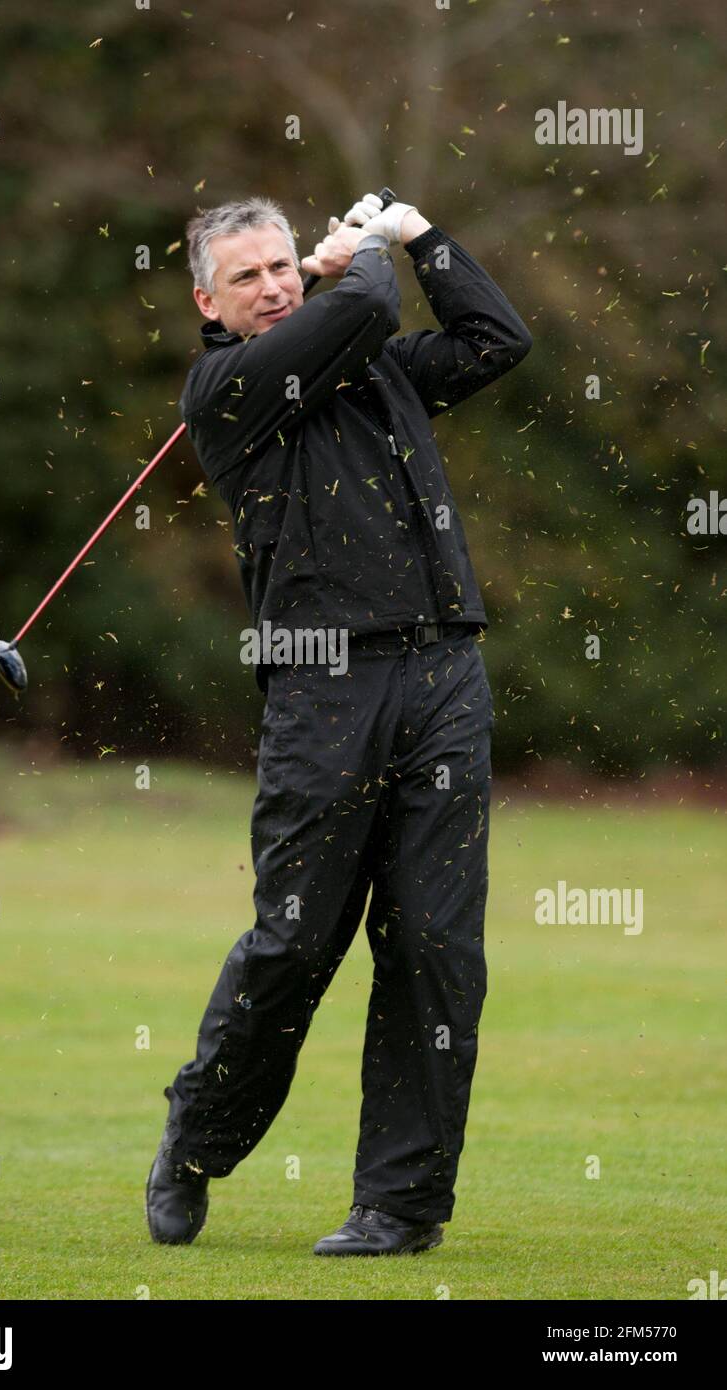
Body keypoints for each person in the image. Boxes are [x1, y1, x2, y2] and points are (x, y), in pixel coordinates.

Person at [146, 191, 532, 1255]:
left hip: (443, 673)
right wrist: (360, 253)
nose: (271, 286)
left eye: (281, 266)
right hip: (322, 690)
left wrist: (420, 239)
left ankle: (397, 1205)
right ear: (208, 304)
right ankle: (197, 1132)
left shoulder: (379, 369)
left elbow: (495, 338)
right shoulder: (221, 390)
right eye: (248, 278)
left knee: (434, 948)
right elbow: (358, 306)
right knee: (294, 943)